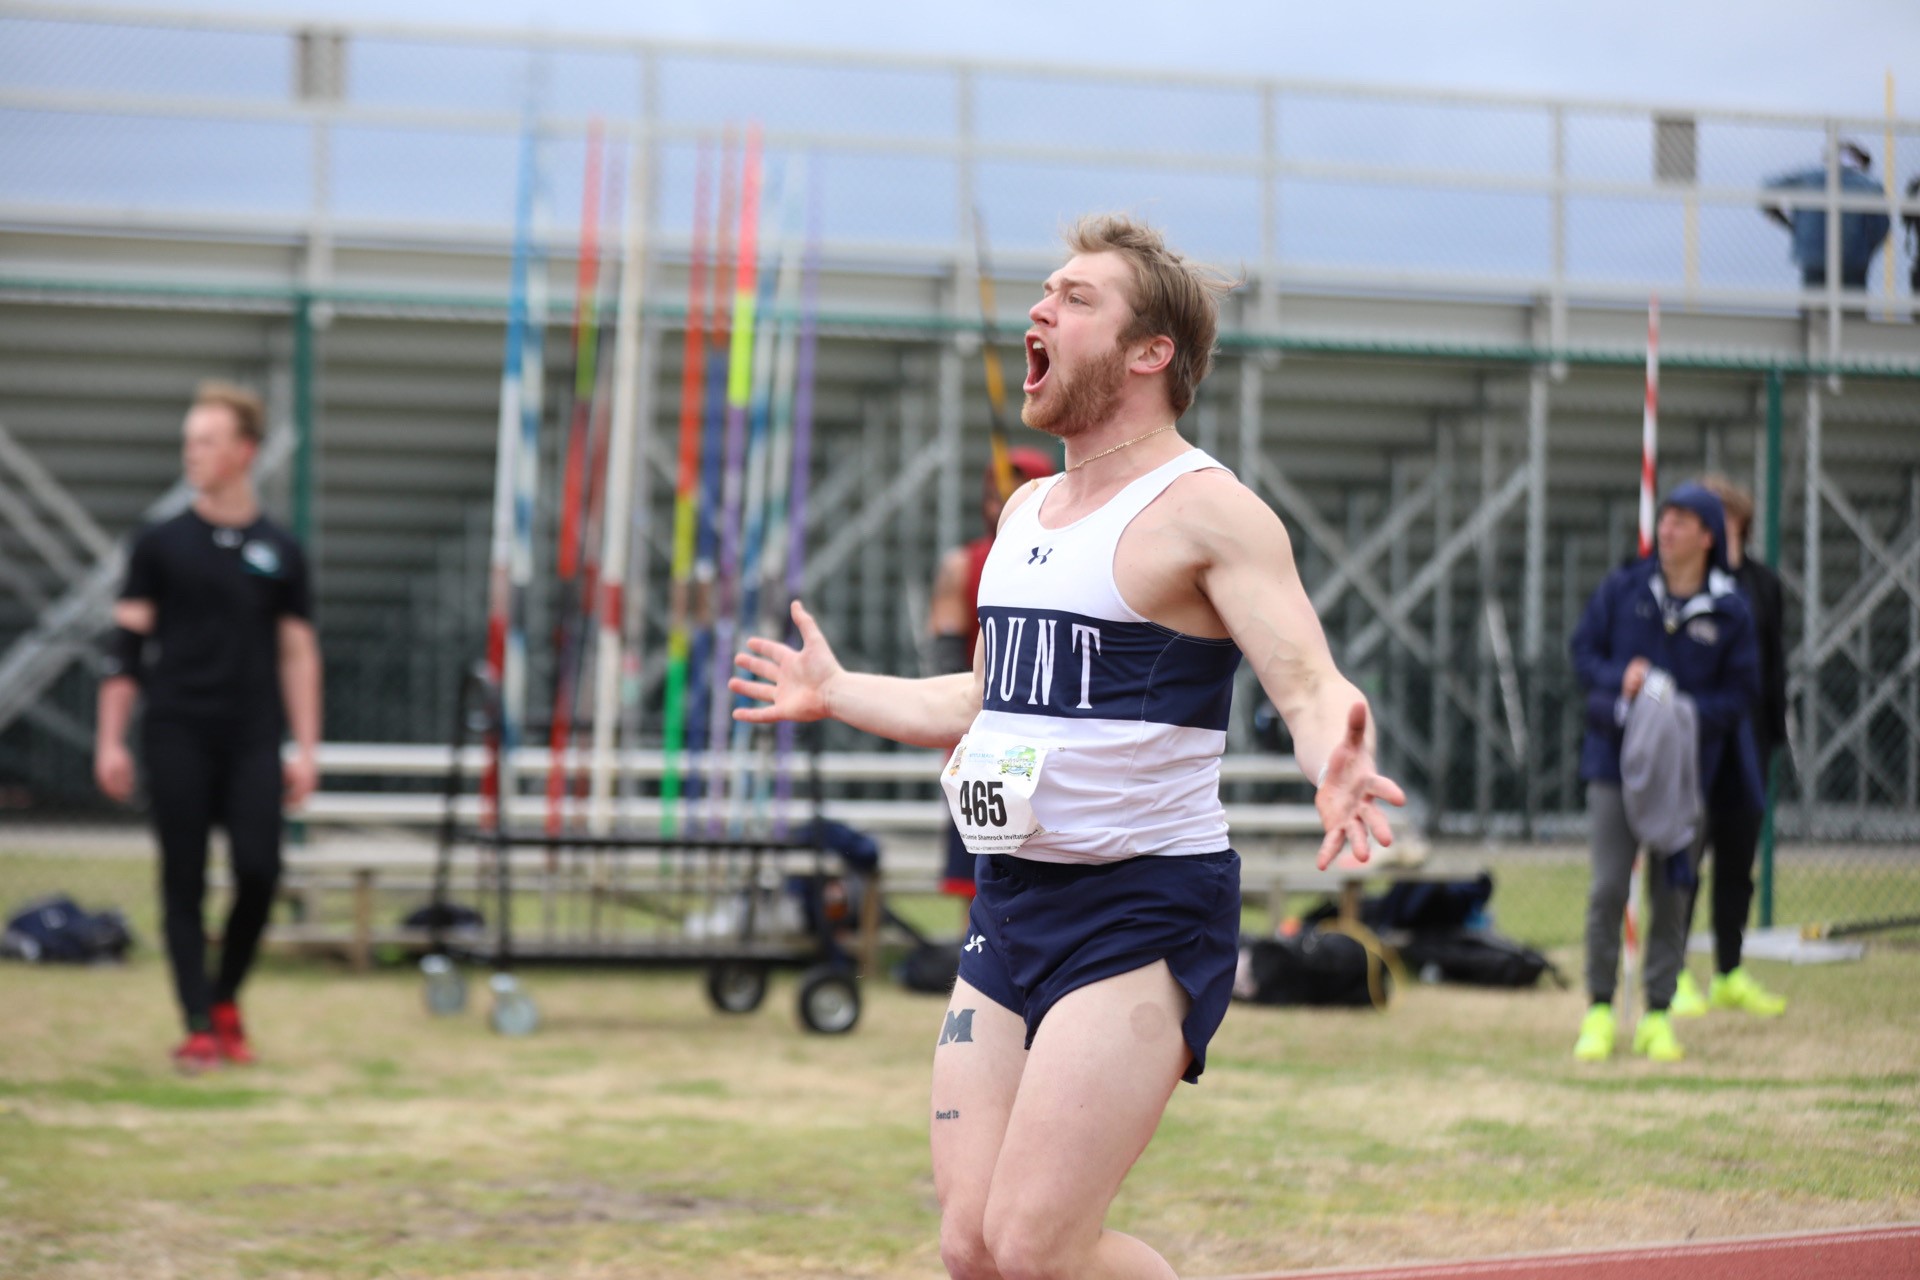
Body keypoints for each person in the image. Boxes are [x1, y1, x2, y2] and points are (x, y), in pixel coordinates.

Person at [730, 214, 1404, 1280]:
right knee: (972, 1247)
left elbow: (1310, 682)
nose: (1040, 310)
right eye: (1045, 291)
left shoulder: (1209, 511)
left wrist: (1336, 757)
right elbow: (992, 698)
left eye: (1076, 298)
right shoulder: (1027, 512)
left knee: (1037, 1245)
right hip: (1011, 903)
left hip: (1140, 908)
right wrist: (840, 690)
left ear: (1151, 352)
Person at [93, 382, 322, 1074]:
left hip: (252, 734)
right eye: (188, 440)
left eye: (207, 440)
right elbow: (125, 651)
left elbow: (298, 652)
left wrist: (306, 748)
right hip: (178, 731)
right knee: (183, 880)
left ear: (244, 452)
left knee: (259, 870)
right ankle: (197, 1023)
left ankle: (226, 1001)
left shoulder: (280, 549)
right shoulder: (159, 544)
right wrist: (110, 739)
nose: (192, 452)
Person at [1569, 484, 1761, 1064]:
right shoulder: (1625, 589)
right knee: (1608, 888)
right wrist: (1621, 683)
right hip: (1614, 766)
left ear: (1708, 537)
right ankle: (1600, 1010)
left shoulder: (1730, 610)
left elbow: (1740, 695)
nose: (1667, 530)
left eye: (1681, 521)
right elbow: (1583, 655)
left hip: (1685, 777)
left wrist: (1677, 713)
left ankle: (1657, 1012)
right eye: (1665, 518)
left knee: (1673, 893)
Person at [1670, 475, 1788, 1019]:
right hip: (1696, 742)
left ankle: (1729, 971)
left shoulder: (1762, 585)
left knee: (1738, 862)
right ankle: (1673, 972)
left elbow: (1774, 663)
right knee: (1685, 860)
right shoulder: (1689, 583)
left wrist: (1773, 733)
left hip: (1748, 743)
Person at [927, 447, 1057, 903]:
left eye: (1012, 489)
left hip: (1054, 737)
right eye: (992, 490)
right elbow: (948, 660)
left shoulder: (1071, 561)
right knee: (980, 881)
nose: (997, 500)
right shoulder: (963, 566)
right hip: (984, 731)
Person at [1762, 142, 1893, 290]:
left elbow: (1768, 189)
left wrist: (1792, 224)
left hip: (1814, 257)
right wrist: (1866, 248)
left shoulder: (1808, 179)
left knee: (1816, 300)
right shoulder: (1868, 185)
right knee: (1851, 301)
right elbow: (1881, 225)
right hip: (1852, 258)